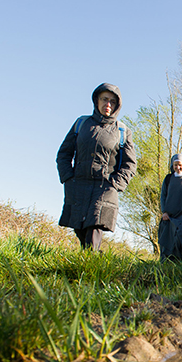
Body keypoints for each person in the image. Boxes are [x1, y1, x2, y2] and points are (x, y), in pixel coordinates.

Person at [56, 83, 137, 250]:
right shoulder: (81, 124)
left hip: (104, 187)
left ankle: (91, 264)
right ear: (96, 100)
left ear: (117, 105)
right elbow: (64, 154)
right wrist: (68, 178)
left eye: (113, 101)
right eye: (105, 99)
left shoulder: (122, 131)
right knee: (79, 228)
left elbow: (130, 164)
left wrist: (115, 184)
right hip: (78, 184)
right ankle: (90, 260)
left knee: (94, 226)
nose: (108, 104)